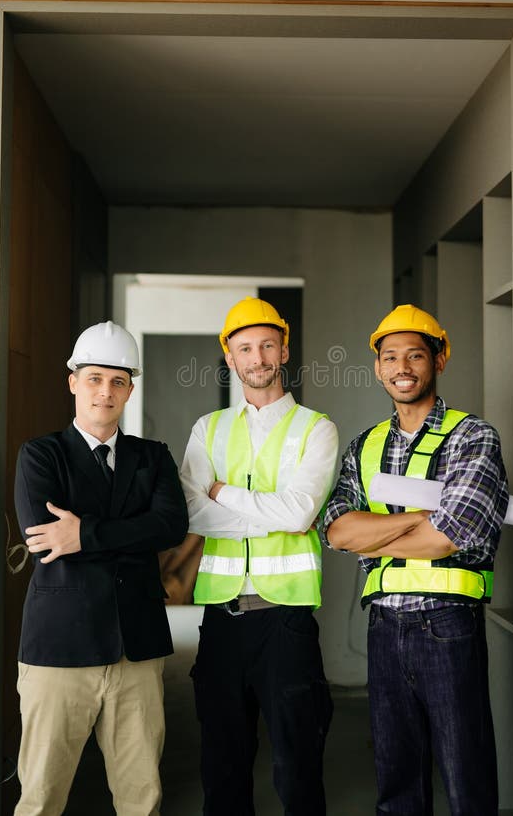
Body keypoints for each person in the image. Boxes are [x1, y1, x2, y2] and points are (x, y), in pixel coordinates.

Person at [324, 304, 508, 816]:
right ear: (378, 366)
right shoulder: (364, 445)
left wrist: (376, 535)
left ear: (439, 359)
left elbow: (451, 534)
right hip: (384, 626)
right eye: (389, 357)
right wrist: (420, 518)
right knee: (396, 780)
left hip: (448, 626)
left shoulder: (473, 437)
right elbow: (337, 532)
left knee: (465, 776)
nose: (401, 366)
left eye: (415, 355)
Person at [14, 320, 188, 816]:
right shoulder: (41, 455)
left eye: (117, 381)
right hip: (59, 650)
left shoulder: (152, 457)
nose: (104, 392)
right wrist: (135, 530)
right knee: (42, 797)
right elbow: (44, 538)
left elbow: (171, 527)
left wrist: (85, 533)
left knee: (141, 797)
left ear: (130, 388)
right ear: (73, 382)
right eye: (93, 378)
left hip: (137, 649)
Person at [180, 297, 338, 816]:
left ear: (284, 350)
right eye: (245, 347)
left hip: (285, 621)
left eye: (267, 344)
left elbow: (298, 512)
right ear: (229, 356)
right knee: (222, 768)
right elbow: (191, 515)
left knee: (298, 767)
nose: (258, 356)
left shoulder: (316, 428)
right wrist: (273, 513)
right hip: (221, 622)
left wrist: (222, 492)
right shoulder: (208, 429)